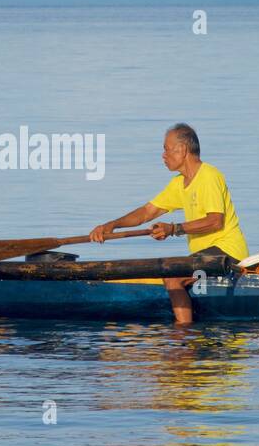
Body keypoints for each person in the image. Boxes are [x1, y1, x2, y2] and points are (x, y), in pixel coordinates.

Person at [89, 123, 248, 324]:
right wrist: (111, 225)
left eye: (166, 149)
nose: (163, 155)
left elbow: (215, 221)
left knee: (173, 277)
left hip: (228, 254)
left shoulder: (208, 176)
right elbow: (148, 212)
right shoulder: (179, 184)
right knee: (171, 273)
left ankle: (183, 334)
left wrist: (174, 229)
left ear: (182, 150)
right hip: (204, 257)